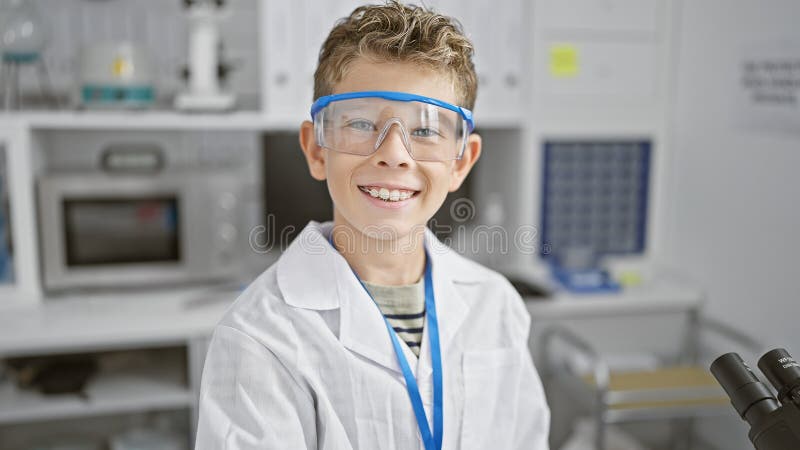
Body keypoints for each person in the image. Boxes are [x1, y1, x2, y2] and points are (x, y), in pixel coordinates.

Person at [195, 2, 550, 449]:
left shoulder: (496, 306)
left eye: (425, 130)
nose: (394, 154)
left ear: (461, 162)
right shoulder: (260, 338)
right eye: (362, 123)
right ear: (316, 150)